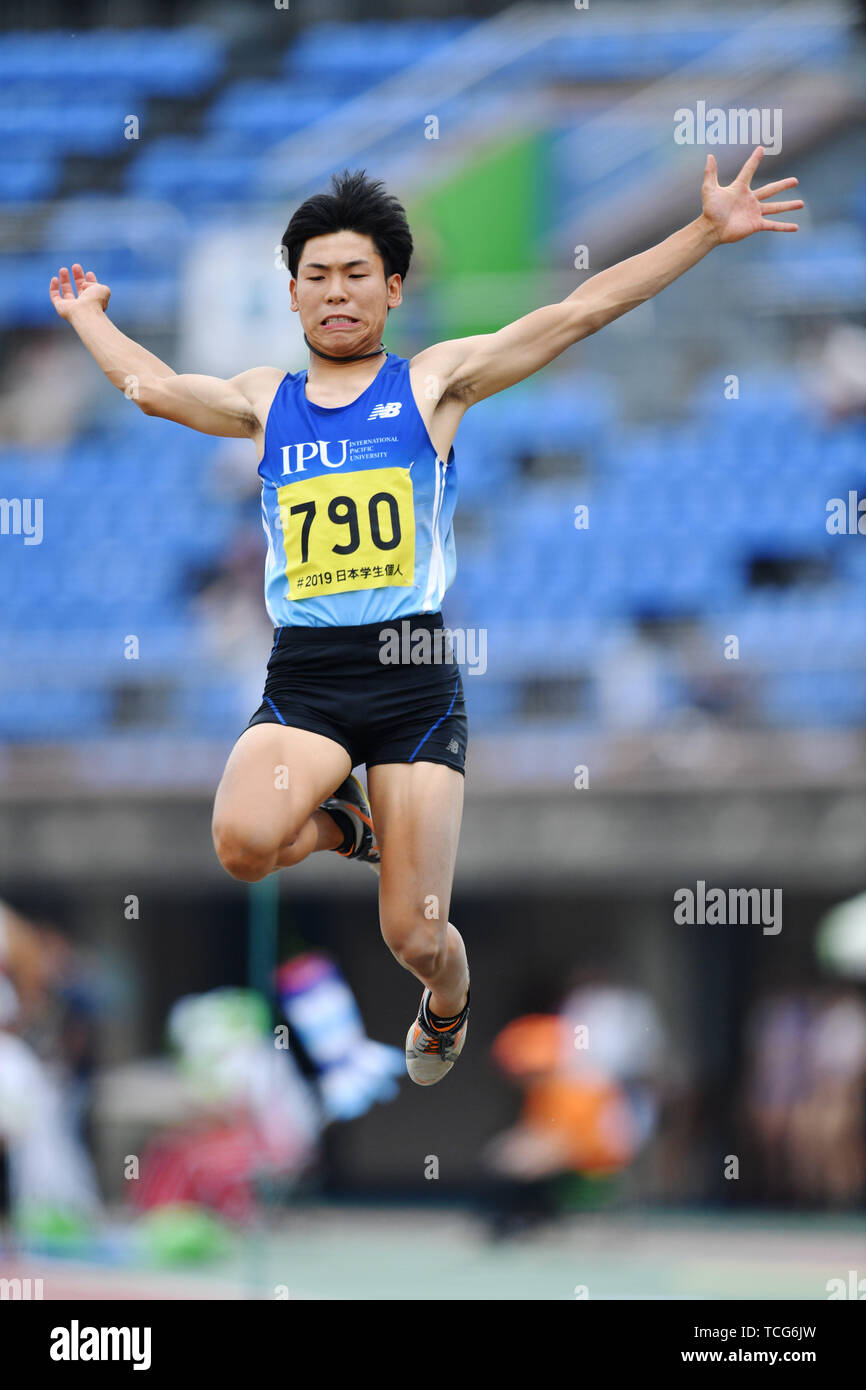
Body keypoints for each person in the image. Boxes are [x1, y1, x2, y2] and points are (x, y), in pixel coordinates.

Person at [49, 149, 802, 1086]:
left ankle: (448, 1001)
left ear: (393, 289)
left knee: (414, 933)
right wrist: (90, 320)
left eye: (356, 275)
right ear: (291, 295)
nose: (335, 293)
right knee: (243, 844)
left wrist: (703, 231)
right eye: (315, 277)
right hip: (308, 678)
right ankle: (350, 829)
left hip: (411, 679)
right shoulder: (263, 401)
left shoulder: (433, 384)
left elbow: (579, 312)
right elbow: (157, 391)